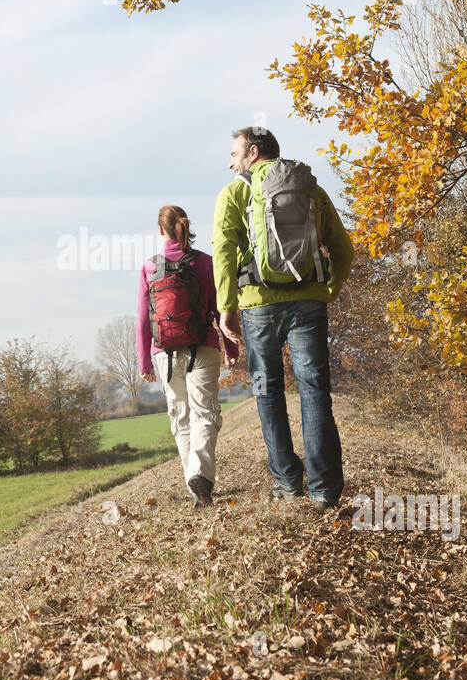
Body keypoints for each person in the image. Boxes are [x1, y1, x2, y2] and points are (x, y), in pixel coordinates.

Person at [212, 125, 353, 511]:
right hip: (309, 304)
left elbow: (223, 252)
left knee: (267, 391)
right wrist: (327, 291)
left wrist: (227, 308)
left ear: (253, 152)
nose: (231, 161)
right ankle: (324, 489)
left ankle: (288, 483)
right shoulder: (312, 190)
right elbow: (344, 250)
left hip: (258, 308)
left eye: (235, 153)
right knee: (314, 391)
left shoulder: (235, 194)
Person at [137, 205, 236, 508]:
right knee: (205, 413)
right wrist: (231, 347)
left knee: (181, 418)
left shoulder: (150, 267)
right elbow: (221, 308)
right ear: (186, 226)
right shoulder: (205, 262)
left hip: (164, 353)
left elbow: (143, 318)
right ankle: (200, 476)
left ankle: (197, 485)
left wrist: (144, 361)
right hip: (202, 347)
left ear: (160, 230)